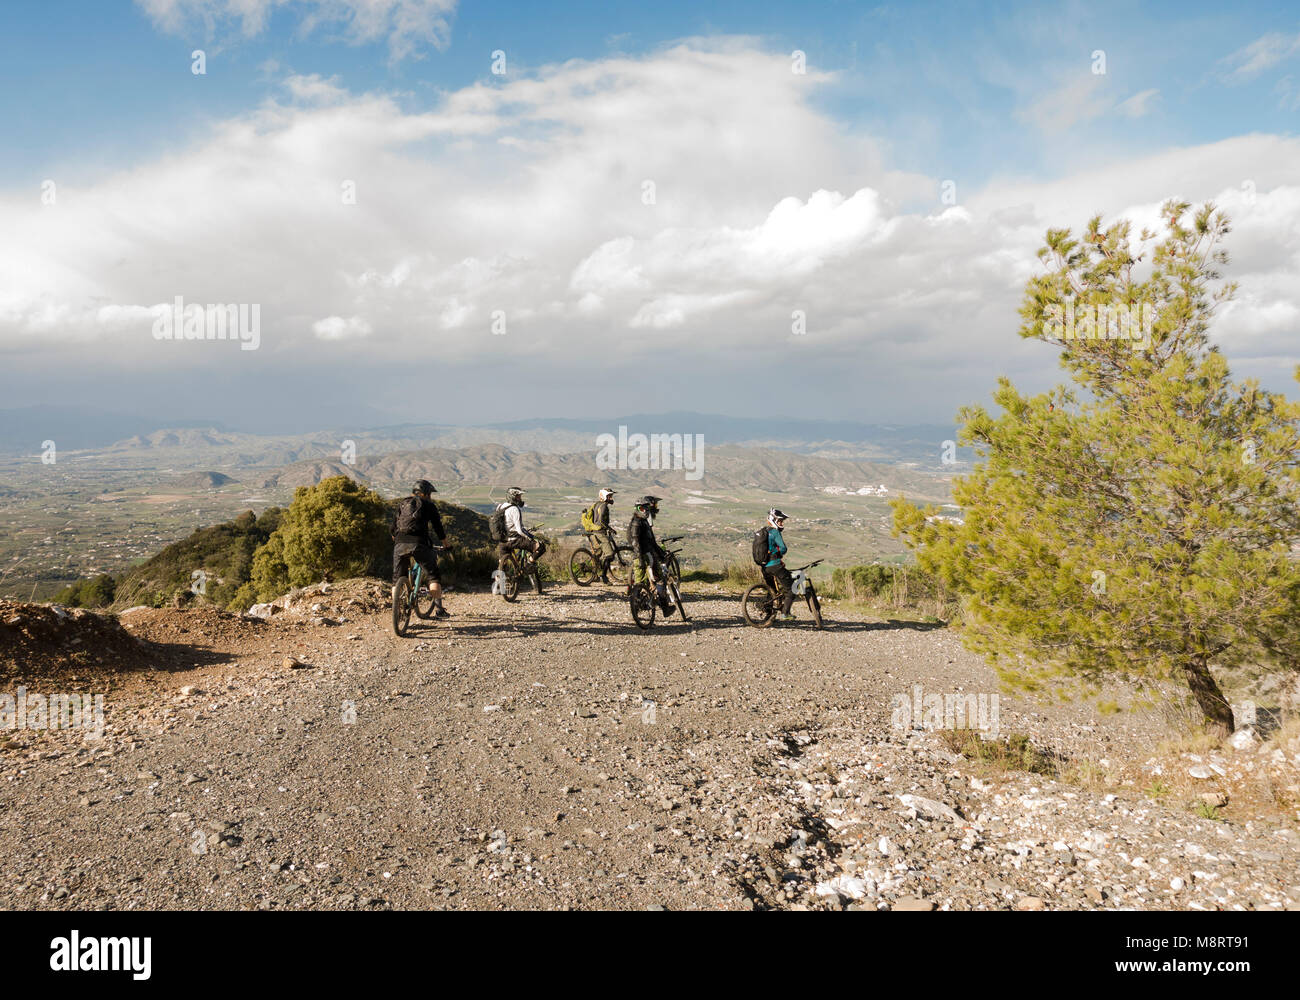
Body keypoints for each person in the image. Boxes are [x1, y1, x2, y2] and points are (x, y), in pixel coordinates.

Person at [392, 479, 451, 617]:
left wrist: (398, 541)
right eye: (430, 493)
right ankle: (439, 610)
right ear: (425, 494)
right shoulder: (429, 505)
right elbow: (438, 527)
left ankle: (397, 611)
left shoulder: (402, 503)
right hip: (420, 543)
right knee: (433, 576)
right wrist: (446, 544)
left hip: (399, 543)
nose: (431, 496)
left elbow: (393, 528)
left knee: (397, 579)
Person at [628, 495, 674, 616]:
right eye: (644, 509)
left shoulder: (640, 522)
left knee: (639, 582)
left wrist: (660, 553)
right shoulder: (638, 523)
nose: (647, 511)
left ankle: (637, 609)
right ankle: (665, 609)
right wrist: (641, 557)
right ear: (639, 509)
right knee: (659, 579)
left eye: (647, 508)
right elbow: (636, 541)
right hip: (646, 556)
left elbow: (651, 542)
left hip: (640, 557)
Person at [496, 487, 546, 592]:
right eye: (519, 496)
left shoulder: (500, 506)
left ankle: (499, 586)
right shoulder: (515, 509)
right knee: (540, 547)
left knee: (502, 562)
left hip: (502, 541)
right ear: (513, 497)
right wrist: (532, 537)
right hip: (515, 540)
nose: (520, 498)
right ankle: (528, 565)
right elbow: (520, 530)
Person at [758, 508, 796, 621]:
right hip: (775, 566)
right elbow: (783, 548)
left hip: (764, 567)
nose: (782, 523)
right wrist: (779, 555)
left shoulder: (763, 532)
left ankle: (768, 615)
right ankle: (785, 613)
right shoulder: (775, 532)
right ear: (773, 520)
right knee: (791, 589)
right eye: (780, 521)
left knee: (772, 591)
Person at [588, 488, 618, 582]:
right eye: (609, 496)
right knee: (610, 554)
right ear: (605, 497)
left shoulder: (597, 504)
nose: (611, 498)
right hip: (600, 533)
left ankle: (594, 575)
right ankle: (604, 576)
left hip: (594, 532)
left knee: (598, 554)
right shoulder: (604, 506)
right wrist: (610, 529)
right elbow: (601, 521)